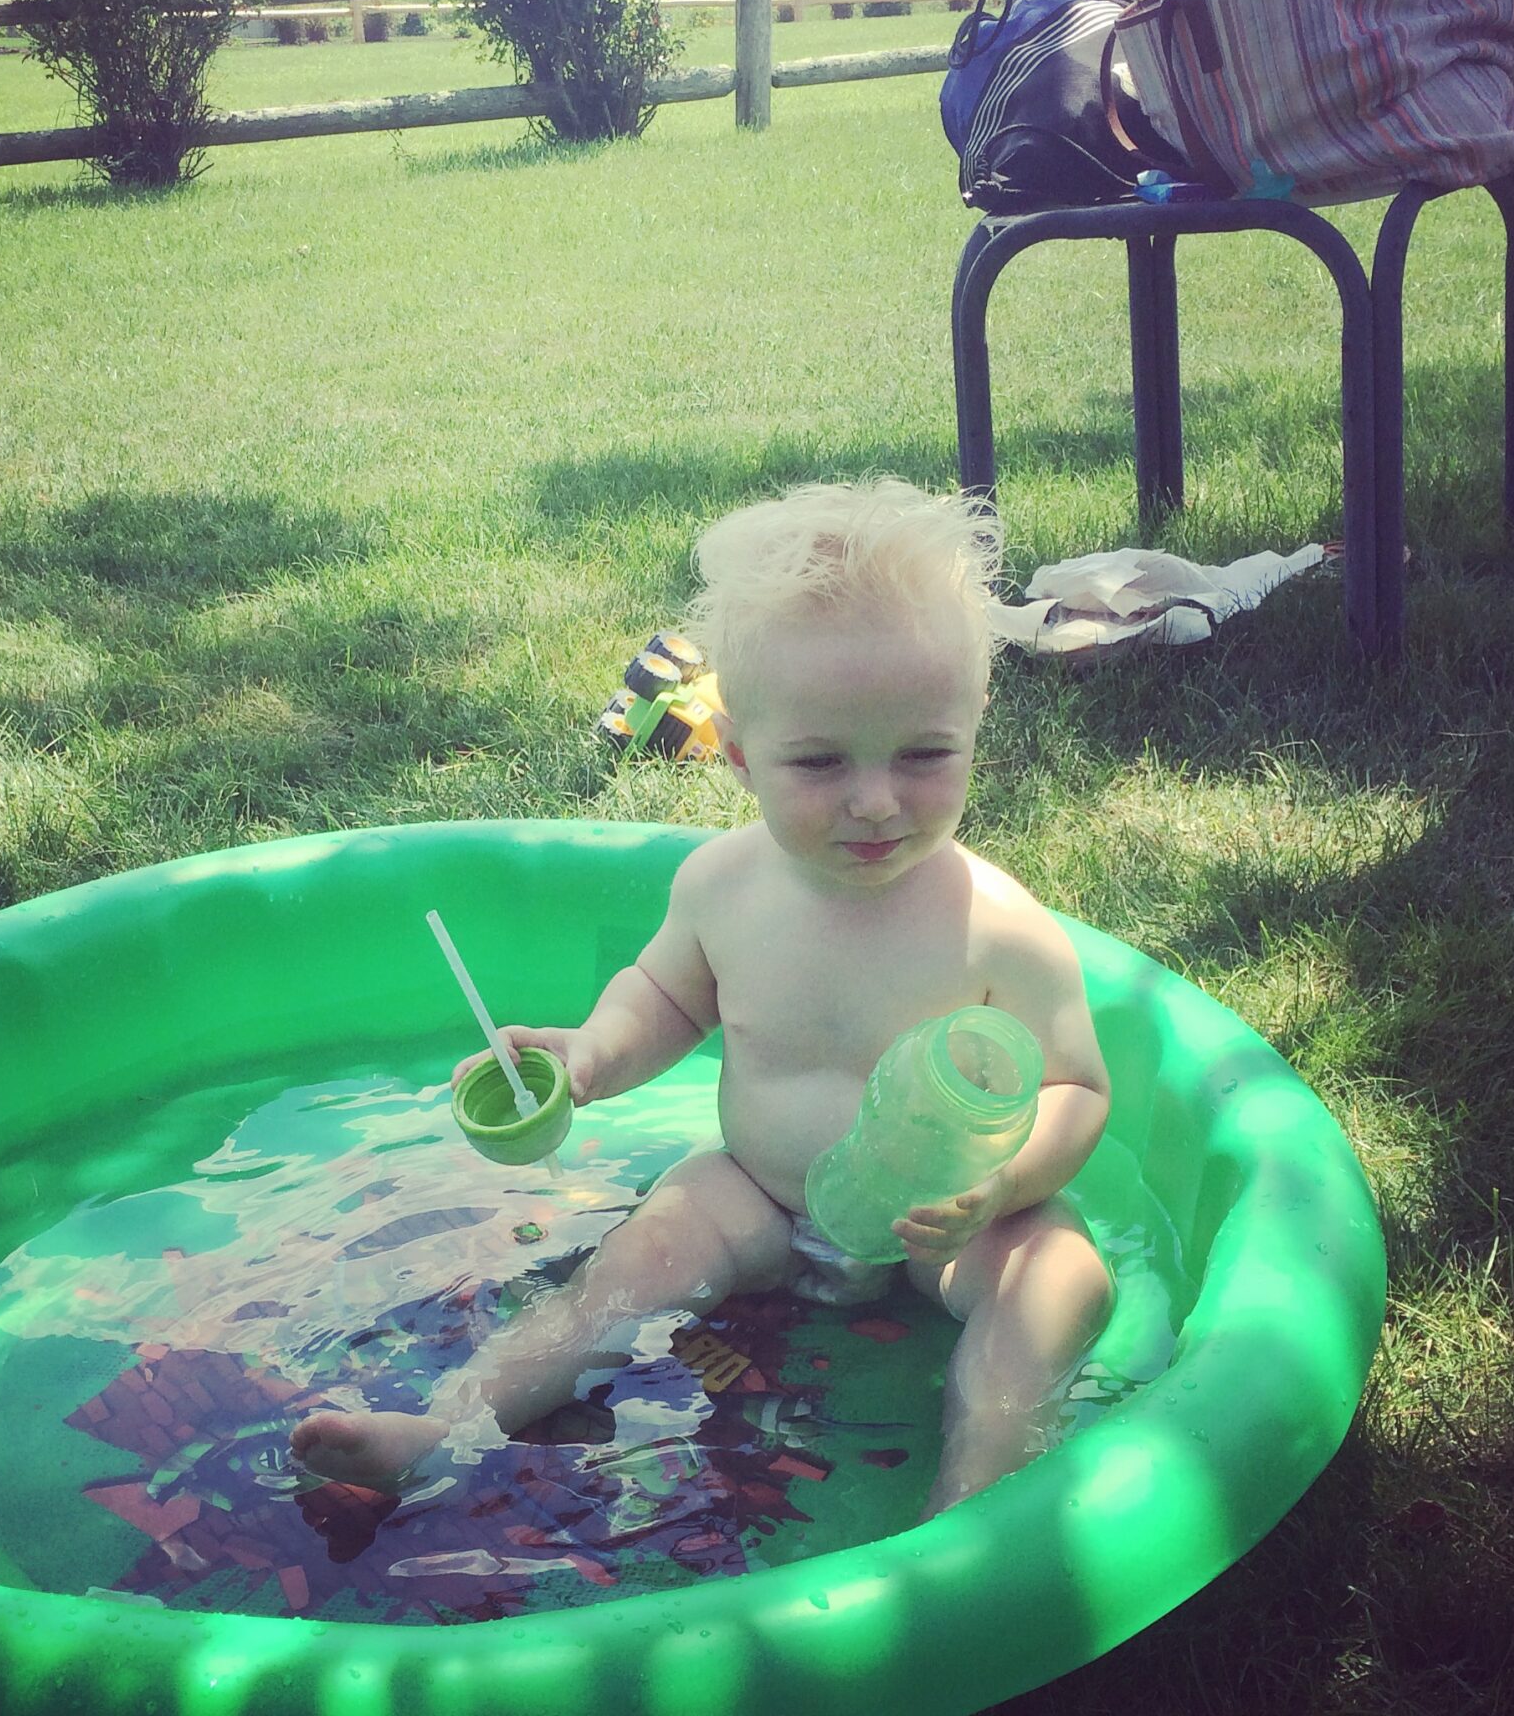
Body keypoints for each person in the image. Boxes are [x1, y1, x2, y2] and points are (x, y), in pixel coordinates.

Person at [292, 478, 1114, 1515]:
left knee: (1059, 1278)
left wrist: (998, 1189)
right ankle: (450, 1418)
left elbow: (1076, 1087)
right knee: (631, 1261)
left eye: (922, 752)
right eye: (818, 760)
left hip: (939, 1230)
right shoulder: (723, 889)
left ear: (974, 720)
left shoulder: (996, 925)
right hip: (760, 1198)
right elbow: (665, 999)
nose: (874, 798)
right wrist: (591, 1052)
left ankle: (980, 1484)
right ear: (733, 750)